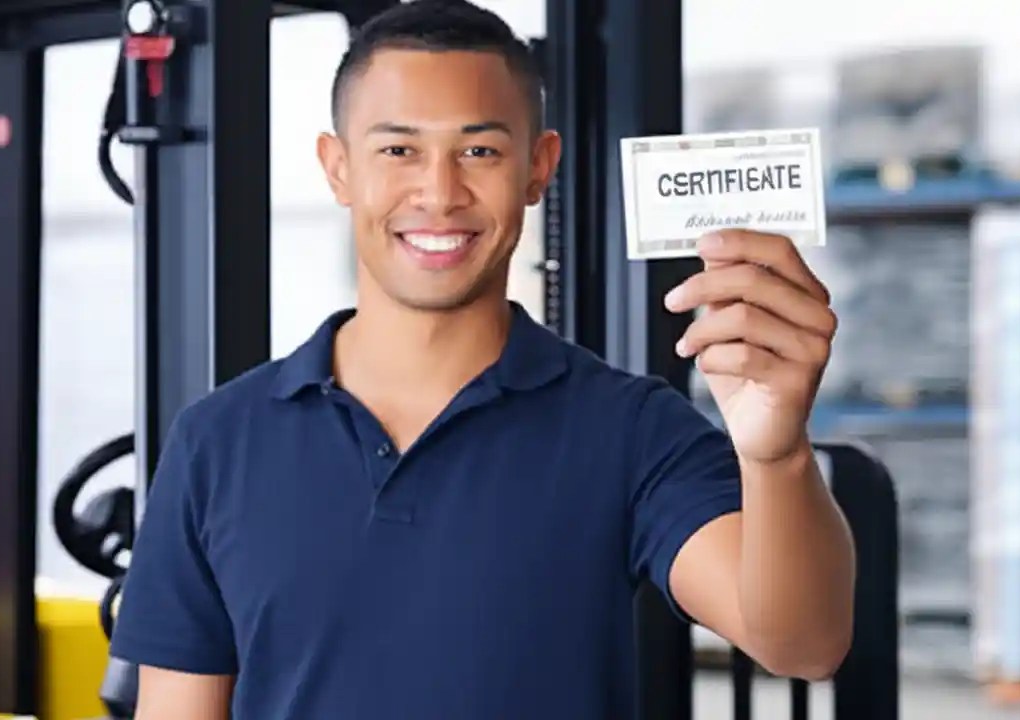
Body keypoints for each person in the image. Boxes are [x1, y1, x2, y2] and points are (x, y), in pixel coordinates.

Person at [109, 1, 856, 717]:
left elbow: (803, 645)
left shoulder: (631, 430)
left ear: (538, 167)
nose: (439, 192)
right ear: (337, 168)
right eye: (399, 149)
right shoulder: (217, 440)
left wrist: (776, 453)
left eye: (479, 151)